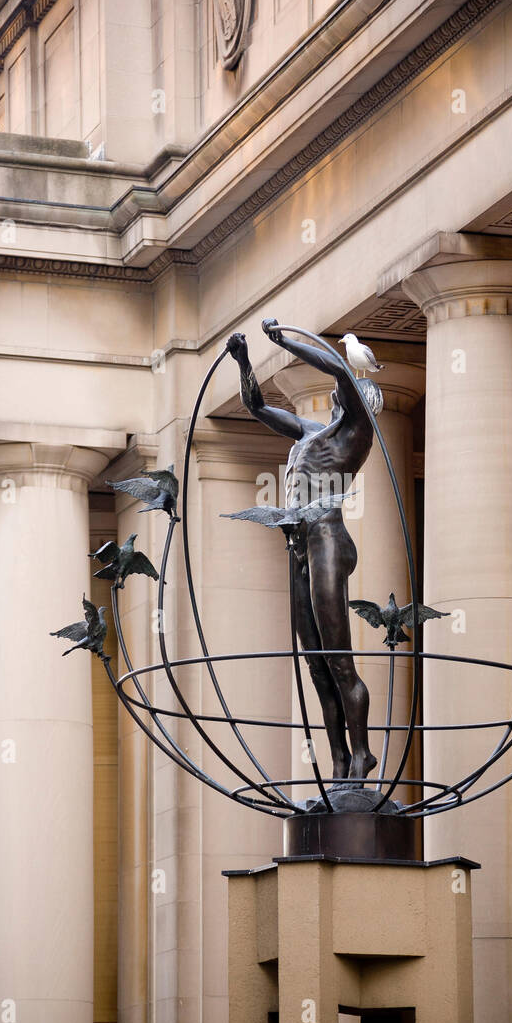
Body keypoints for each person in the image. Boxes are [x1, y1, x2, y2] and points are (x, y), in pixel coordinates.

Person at [225, 318, 380, 781]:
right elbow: (256, 406)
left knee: (338, 660)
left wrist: (284, 341)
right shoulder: (313, 432)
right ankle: (337, 762)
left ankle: (362, 753)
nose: (340, 395)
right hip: (298, 547)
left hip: (328, 542)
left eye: (350, 393)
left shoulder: (355, 432)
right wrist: (244, 359)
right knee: (316, 666)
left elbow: (338, 368)